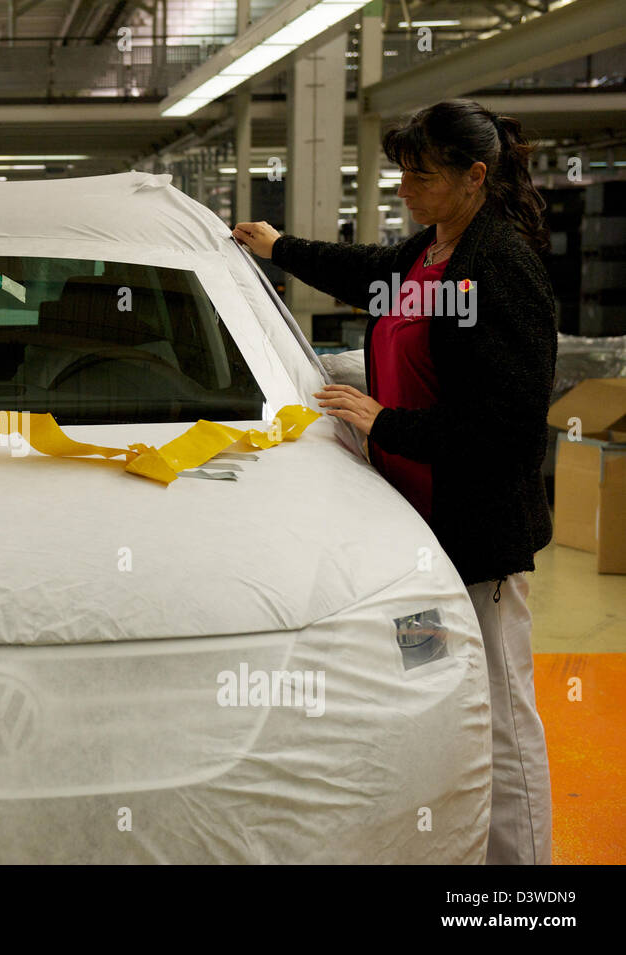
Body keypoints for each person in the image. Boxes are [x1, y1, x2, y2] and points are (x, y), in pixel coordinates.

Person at [232, 99, 556, 865]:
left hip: (477, 537)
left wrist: (387, 424)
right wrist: (279, 247)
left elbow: (507, 433)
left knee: (504, 721)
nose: (403, 186)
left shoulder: (500, 267)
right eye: (401, 171)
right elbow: (367, 271)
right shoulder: (431, 252)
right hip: (417, 530)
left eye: (421, 174)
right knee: (444, 699)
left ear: (475, 177)